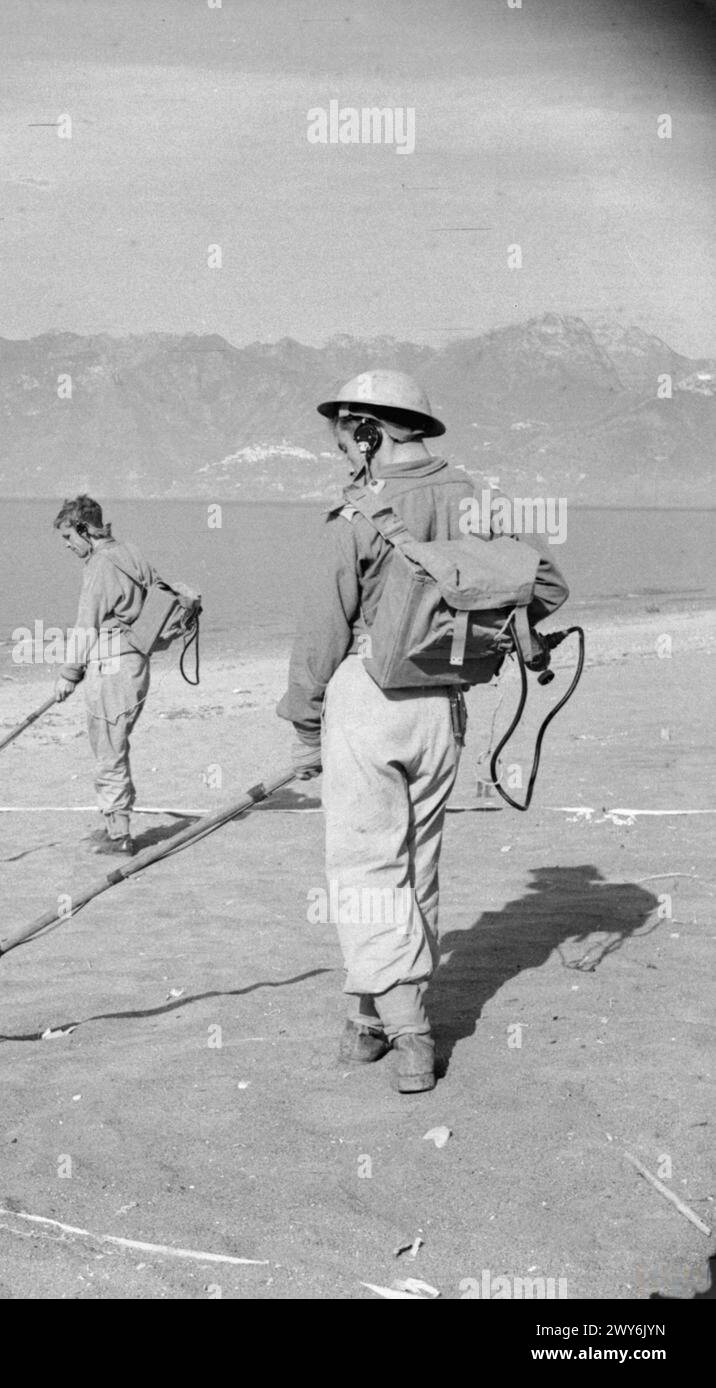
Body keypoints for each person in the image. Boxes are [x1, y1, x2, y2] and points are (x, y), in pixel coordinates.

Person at [278, 371, 568, 1093]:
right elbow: (550, 587)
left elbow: (320, 633)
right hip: (444, 706)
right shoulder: (479, 501)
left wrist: (305, 725)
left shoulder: (358, 515)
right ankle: (366, 1022)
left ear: (368, 430)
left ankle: (410, 1033)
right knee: (416, 863)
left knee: (366, 869)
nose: (341, 449)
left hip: (368, 700)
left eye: (344, 433)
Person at [52, 495, 157, 856]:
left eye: (69, 537)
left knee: (109, 749)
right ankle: (115, 826)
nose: (67, 546)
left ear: (84, 529)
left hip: (111, 667)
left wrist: (69, 673)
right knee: (114, 745)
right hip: (134, 665)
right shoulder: (130, 553)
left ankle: (120, 836)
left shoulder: (99, 565)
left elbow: (86, 625)